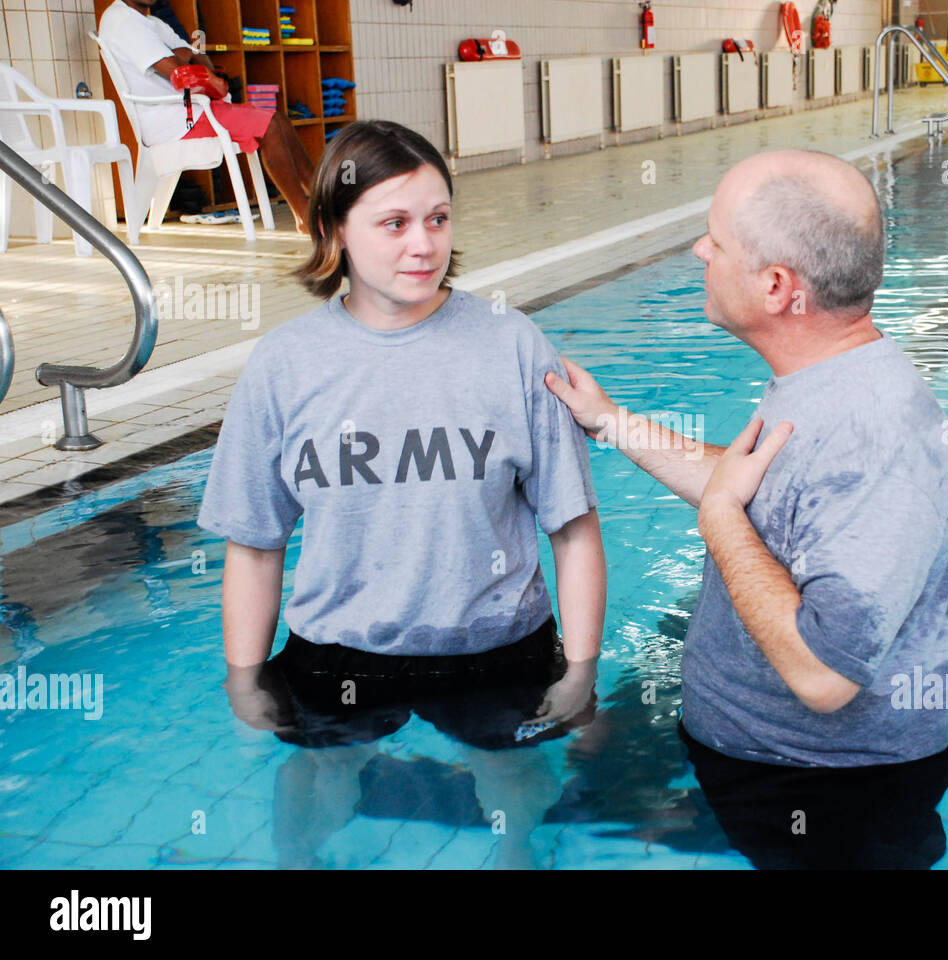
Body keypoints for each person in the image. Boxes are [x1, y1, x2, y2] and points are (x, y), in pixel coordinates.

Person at [545, 149, 948, 868]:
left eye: (717, 240)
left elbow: (824, 675)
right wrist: (610, 422)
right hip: (771, 769)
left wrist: (720, 525)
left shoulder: (877, 437)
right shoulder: (828, 380)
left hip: (829, 799)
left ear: (777, 286)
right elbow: (766, 489)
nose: (699, 250)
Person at [197, 121, 605, 865]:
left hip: (496, 643)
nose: (424, 244)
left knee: (512, 780)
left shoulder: (512, 345)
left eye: (438, 219)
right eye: (394, 223)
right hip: (340, 647)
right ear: (334, 231)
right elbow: (255, 541)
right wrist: (243, 677)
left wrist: (581, 668)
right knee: (320, 768)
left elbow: (572, 526)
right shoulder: (285, 366)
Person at [98, 0, 315, 232]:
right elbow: (179, 72)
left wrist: (180, 55)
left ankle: (322, 199)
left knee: (280, 120)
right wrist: (181, 57)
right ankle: (305, 217)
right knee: (271, 125)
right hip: (173, 119)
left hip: (191, 109)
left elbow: (202, 60)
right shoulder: (122, 20)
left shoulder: (153, 22)